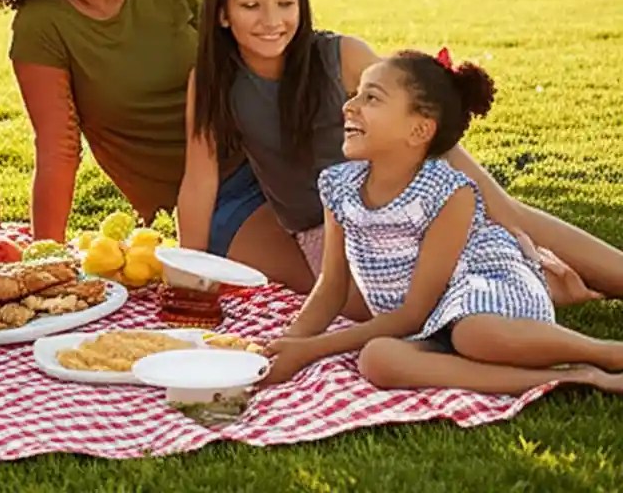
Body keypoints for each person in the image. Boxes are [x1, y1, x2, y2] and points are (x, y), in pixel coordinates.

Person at [179, 0, 623, 310]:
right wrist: (186, 274)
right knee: (380, 309)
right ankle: (554, 285)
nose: (272, 20)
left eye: (285, 2)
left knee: (514, 222)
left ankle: (587, 273)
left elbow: (430, 134)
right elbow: (200, 181)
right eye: (251, 5)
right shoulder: (214, 82)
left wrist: (505, 213)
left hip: (414, 200)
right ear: (222, 13)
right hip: (330, 232)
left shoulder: (340, 57)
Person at [0, 0, 284, 282]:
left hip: (272, 157)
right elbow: (59, 147)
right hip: (209, 199)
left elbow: (240, 64)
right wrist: (45, 259)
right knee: (334, 283)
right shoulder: (43, 25)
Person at [261, 50, 623, 394]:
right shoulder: (338, 187)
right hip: (429, 325)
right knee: (377, 360)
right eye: (355, 95)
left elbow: (413, 314)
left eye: (371, 98)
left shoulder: (449, 192)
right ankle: (575, 377)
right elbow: (331, 288)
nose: (348, 106)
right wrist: (288, 344)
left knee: (473, 334)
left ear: (419, 131)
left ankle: (605, 353)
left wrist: (312, 350)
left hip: (486, 290)